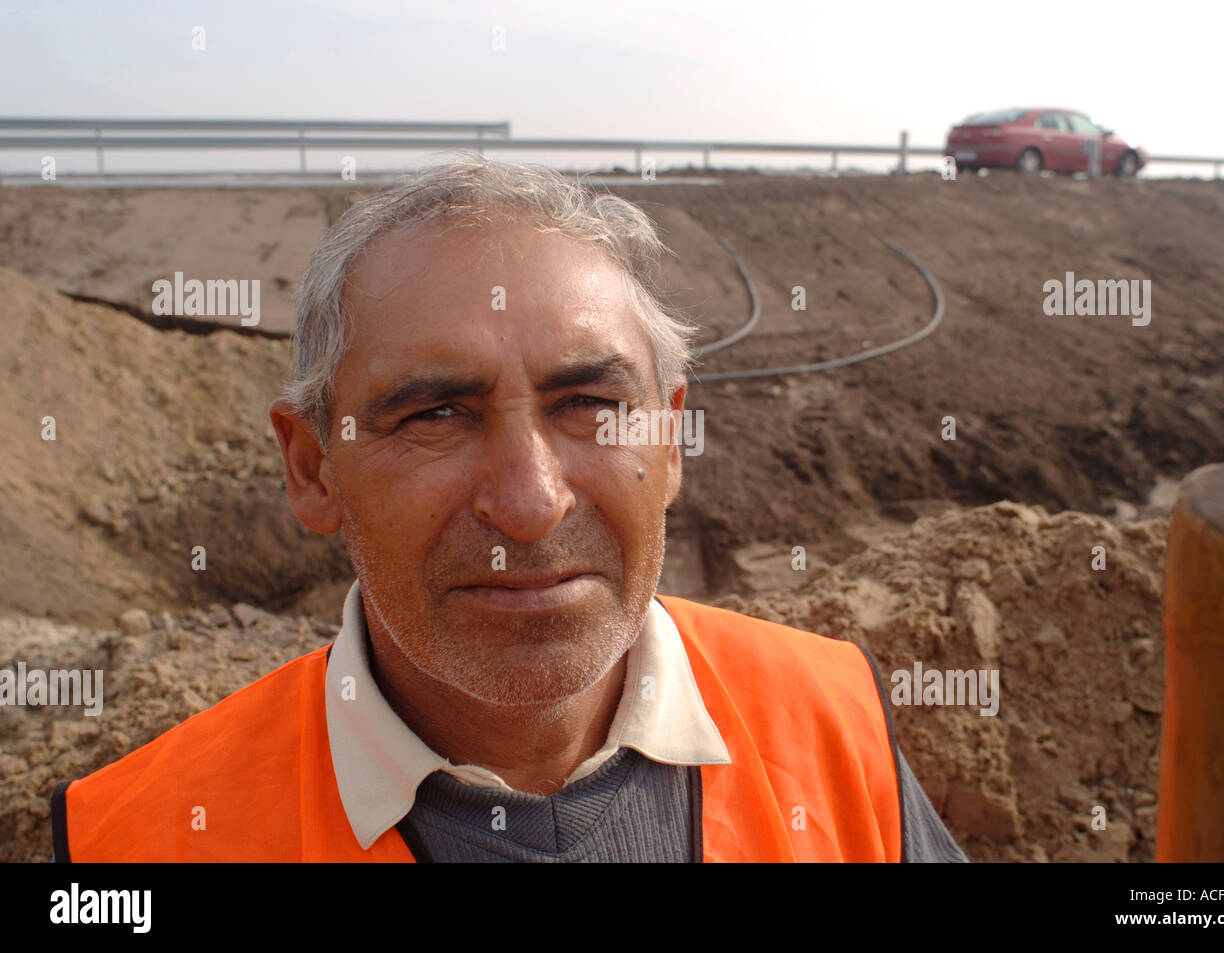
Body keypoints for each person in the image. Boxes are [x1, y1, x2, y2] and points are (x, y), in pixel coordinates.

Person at [52, 156, 967, 863]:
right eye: (436, 415)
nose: (530, 504)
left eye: (590, 405)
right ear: (313, 465)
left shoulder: (837, 725)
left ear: (672, 438)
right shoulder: (135, 840)